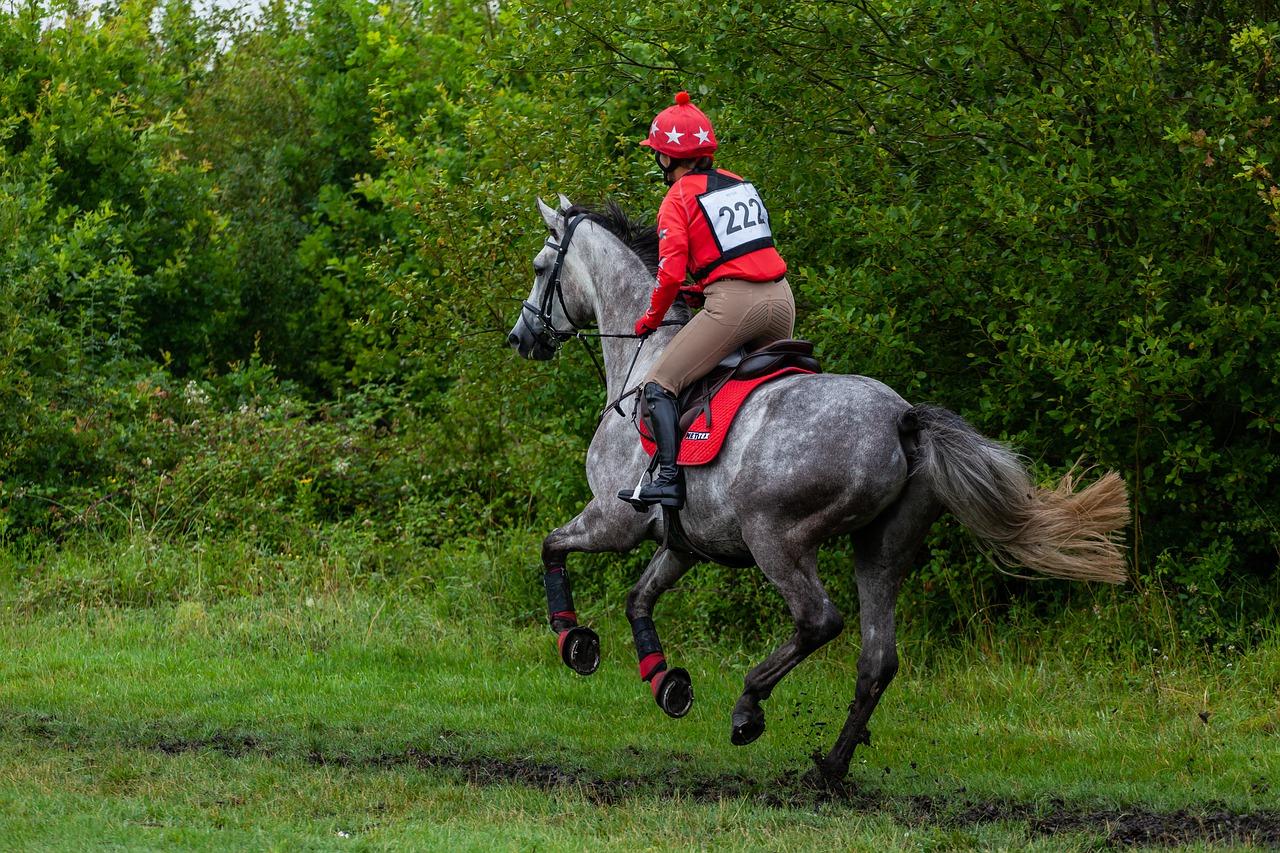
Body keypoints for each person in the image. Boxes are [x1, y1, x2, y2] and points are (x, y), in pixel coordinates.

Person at [618, 91, 795, 511]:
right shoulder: (739, 183)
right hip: (782, 300)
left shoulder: (676, 198)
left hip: (734, 308)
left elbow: (669, 275)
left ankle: (668, 480)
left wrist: (650, 319)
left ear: (666, 157)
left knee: (659, 385)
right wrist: (702, 290)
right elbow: (743, 254)